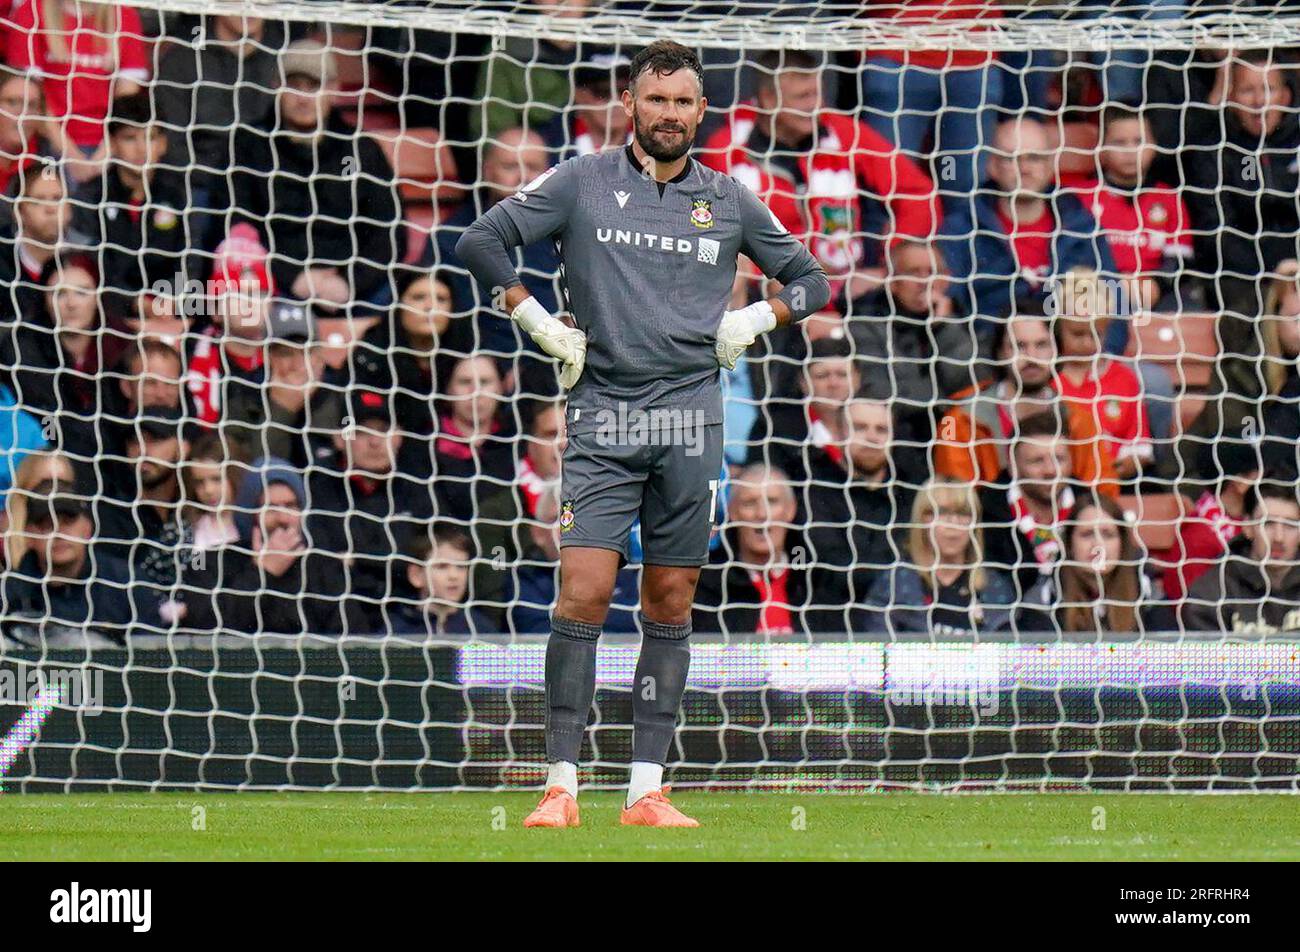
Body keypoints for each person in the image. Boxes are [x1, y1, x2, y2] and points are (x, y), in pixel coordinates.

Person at [457, 39, 830, 827]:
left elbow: (813, 279)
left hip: (694, 419)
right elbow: (481, 241)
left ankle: (645, 789)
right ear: (631, 104)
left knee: (671, 595)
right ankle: (561, 783)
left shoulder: (727, 199)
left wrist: (757, 318)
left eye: (682, 102)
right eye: (654, 100)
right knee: (584, 591)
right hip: (603, 414)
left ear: (702, 110)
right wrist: (533, 319)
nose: (667, 114)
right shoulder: (582, 182)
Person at [701, 48, 939, 294]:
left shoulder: (842, 131)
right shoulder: (725, 149)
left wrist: (893, 257)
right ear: (769, 99)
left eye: (817, 94)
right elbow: (711, 230)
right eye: (803, 96)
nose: (814, 106)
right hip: (762, 293)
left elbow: (918, 193)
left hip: (843, 289)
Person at [230, 40, 401, 310]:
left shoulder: (361, 149)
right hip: (275, 286)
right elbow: (237, 226)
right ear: (276, 86)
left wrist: (348, 283)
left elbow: (390, 231)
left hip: (354, 290)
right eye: (294, 86)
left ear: (334, 90)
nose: (303, 98)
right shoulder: (248, 146)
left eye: (314, 86)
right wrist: (293, 277)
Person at [940, 116, 1118, 323]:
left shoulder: (1082, 226)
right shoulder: (961, 229)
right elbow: (950, 309)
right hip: (986, 350)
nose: (1024, 168)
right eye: (1011, 159)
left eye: (1034, 158)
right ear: (992, 166)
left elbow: (1116, 306)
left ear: (1050, 165)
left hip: (1069, 352)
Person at [935, 305, 1118, 492]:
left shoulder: (1078, 421)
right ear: (999, 353)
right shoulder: (960, 420)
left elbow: (1103, 495)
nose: (1031, 357)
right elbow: (955, 502)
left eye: (1041, 345)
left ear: (1057, 352)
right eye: (1019, 346)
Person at [175, 457, 356, 636]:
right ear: (250, 511)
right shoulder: (210, 563)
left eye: (290, 505)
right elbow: (203, 628)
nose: (282, 518)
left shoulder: (324, 568)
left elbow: (351, 636)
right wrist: (262, 572)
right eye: (270, 507)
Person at [71, 91, 195, 316]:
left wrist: (169, 301)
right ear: (113, 143)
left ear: (163, 143)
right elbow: (90, 264)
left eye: (150, 137)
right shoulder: (90, 198)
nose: (141, 149)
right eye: (130, 138)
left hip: (172, 313)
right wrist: (133, 302)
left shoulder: (181, 196)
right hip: (106, 317)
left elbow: (190, 261)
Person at [1060, 105, 1193, 313]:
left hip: (1154, 292)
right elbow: (1071, 257)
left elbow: (1179, 261)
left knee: (1189, 311)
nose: (1130, 151)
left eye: (1138, 142)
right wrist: (1113, 284)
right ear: (1101, 149)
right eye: (1119, 142)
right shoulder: (1078, 196)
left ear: (1154, 146)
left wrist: (1157, 285)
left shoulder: (1169, 197)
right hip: (1095, 291)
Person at [803, 401, 913, 630]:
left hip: (904, 625)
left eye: (881, 430)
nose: (872, 437)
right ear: (840, 433)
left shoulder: (912, 493)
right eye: (860, 428)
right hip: (830, 628)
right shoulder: (813, 489)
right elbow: (827, 567)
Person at [5, 0, 150, 171]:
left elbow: (126, 102)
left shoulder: (124, 15)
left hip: (108, 146)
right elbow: (30, 97)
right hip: (48, 142)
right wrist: (72, 156)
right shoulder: (31, 11)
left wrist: (103, 155)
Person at [864, 477, 1018, 636]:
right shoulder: (893, 586)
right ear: (922, 519)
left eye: (963, 513)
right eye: (942, 512)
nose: (953, 524)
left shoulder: (994, 588)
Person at [2, 479, 133, 642]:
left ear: (88, 528)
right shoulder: (7, 594)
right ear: (28, 535)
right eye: (47, 524)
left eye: (68, 521)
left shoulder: (127, 583)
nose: (58, 533)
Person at [694, 464, 811, 637]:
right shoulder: (705, 586)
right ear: (733, 512)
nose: (762, 514)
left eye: (772, 501)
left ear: (790, 509)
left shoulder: (815, 583)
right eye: (750, 503)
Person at [1018, 491, 1153, 635]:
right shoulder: (1042, 601)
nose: (1097, 545)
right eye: (1087, 534)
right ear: (1069, 545)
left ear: (1122, 544)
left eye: (1107, 535)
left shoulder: (1147, 595)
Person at [511, 490, 639, 636]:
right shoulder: (526, 579)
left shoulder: (623, 572)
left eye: (578, 519)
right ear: (538, 533)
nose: (569, 529)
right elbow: (535, 630)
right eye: (560, 519)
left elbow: (635, 623)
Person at [1181, 483, 1300, 635]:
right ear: (1247, 527)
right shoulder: (1211, 593)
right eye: (1268, 523)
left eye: (1290, 525)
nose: (1279, 537)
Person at [746, 335, 859, 489]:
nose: (833, 383)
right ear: (803, 382)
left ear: (857, 379)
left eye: (842, 374)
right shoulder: (773, 428)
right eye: (822, 376)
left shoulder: (880, 422)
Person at [0, 157, 73, 323]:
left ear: (69, 208)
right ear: (19, 211)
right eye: (39, 200)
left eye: (57, 198)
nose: (50, 209)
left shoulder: (88, 256)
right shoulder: (2, 257)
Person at [393, 524, 494, 638]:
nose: (454, 576)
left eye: (461, 566)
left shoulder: (481, 629)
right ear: (416, 575)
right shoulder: (397, 632)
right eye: (442, 566)